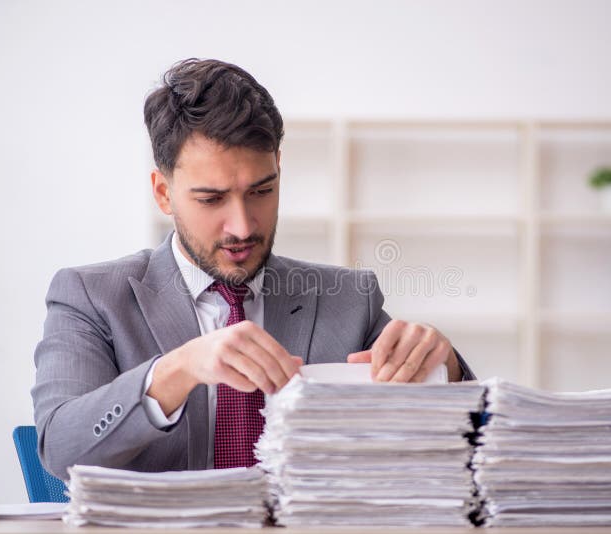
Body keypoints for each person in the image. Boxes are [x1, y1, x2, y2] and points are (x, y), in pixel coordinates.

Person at [32, 58, 475, 480]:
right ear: (163, 193)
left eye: (262, 190)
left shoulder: (348, 298)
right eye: (211, 199)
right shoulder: (91, 296)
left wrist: (444, 368)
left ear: (279, 170)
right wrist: (178, 369)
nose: (243, 226)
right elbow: (60, 447)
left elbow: (455, 439)